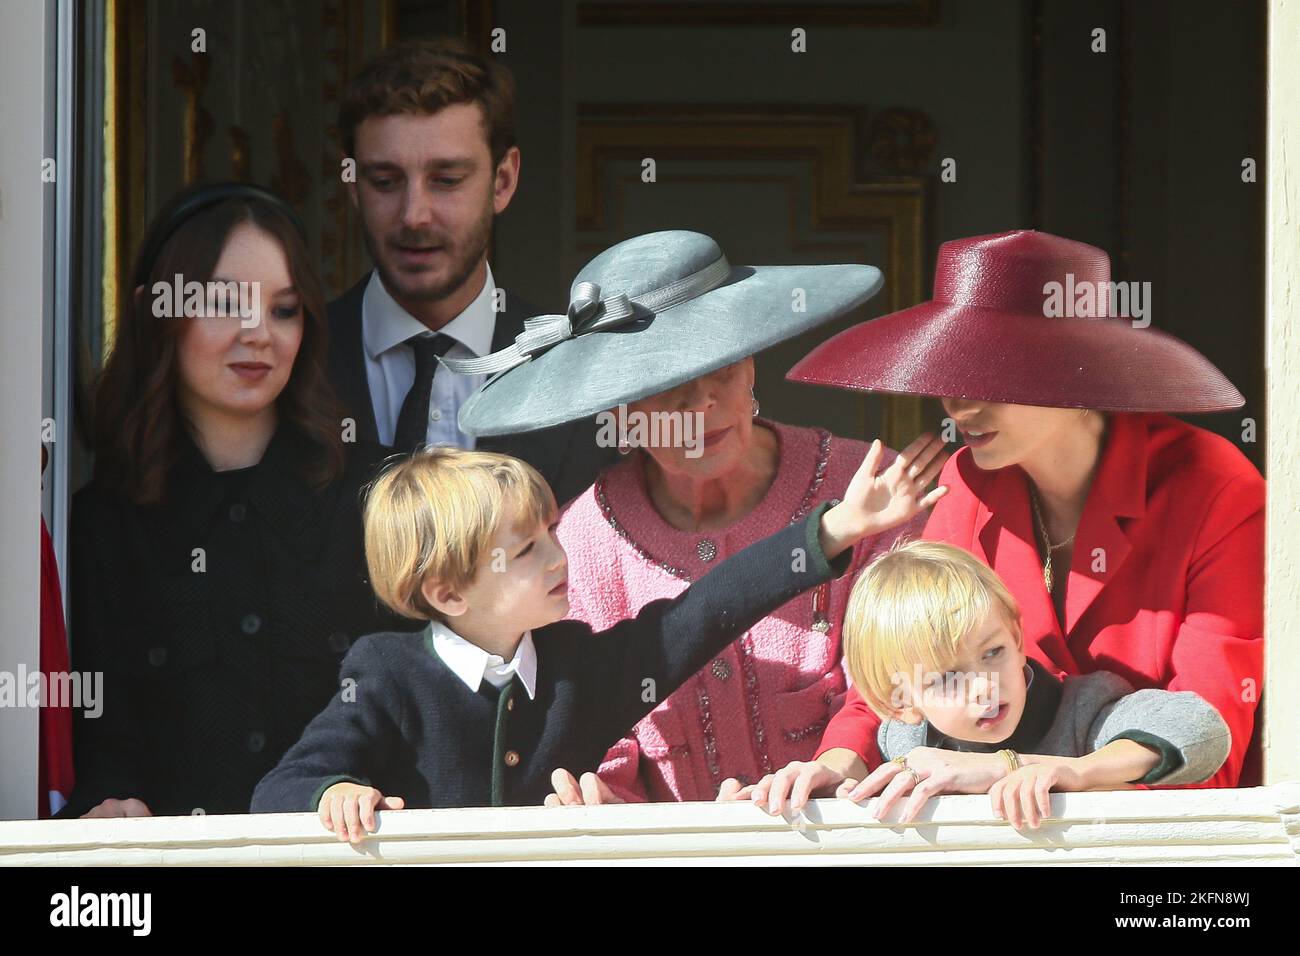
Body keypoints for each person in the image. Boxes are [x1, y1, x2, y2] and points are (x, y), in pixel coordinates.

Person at [750, 229, 1263, 814]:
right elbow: (905, 665)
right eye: (950, 372)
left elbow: (1211, 738)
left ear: (1080, 371)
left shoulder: (1216, 487)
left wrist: (1017, 769)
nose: (958, 407)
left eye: (993, 374)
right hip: (997, 834)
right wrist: (834, 766)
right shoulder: (969, 482)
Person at [249, 434, 940, 842]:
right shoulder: (384, 671)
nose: (560, 558)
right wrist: (331, 794)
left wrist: (833, 532)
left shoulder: (576, 664)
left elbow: (702, 613)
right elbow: (281, 787)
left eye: (553, 533)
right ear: (448, 593)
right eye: (525, 551)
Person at [445, 228, 935, 804]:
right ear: (617, 407)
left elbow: (913, 680)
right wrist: (601, 798)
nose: (702, 404)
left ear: (752, 366)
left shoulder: (871, 490)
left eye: (722, 369)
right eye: (668, 383)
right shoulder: (580, 545)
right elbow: (598, 733)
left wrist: (837, 765)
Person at [60, 182, 419, 819]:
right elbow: (100, 733)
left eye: (284, 310)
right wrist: (108, 808)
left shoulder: (378, 493)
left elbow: (429, 704)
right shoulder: (100, 526)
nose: (259, 334)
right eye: (226, 304)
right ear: (158, 313)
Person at [327, 37, 615, 505]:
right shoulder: (290, 361)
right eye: (384, 182)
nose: (413, 215)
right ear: (354, 187)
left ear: (503, 182)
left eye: (446, 180)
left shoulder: (580, 380)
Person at [835, 540, 1230, 830]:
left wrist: (1063, 771)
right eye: (947, 678)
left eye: (992, 653)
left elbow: (1201, 730)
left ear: (1017, 639)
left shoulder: (1082, 709)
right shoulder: (907, 742)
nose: (983, 687)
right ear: (901, 701)